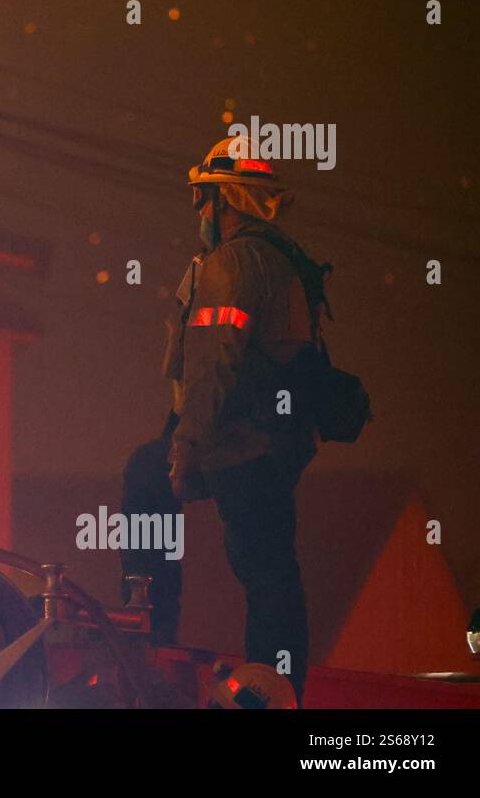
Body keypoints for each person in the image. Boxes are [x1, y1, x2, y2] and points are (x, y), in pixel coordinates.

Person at [166, 134, 321, 702]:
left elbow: (214, 362)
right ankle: (274, 680)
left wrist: (187, 443)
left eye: (203, 200)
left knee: (264, 572)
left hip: (243, 439)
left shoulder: (231, 262)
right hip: (277, 439)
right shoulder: (282, 259)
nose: (200, 213)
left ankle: (263, 684)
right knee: (271, 569)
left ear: (224, 201)